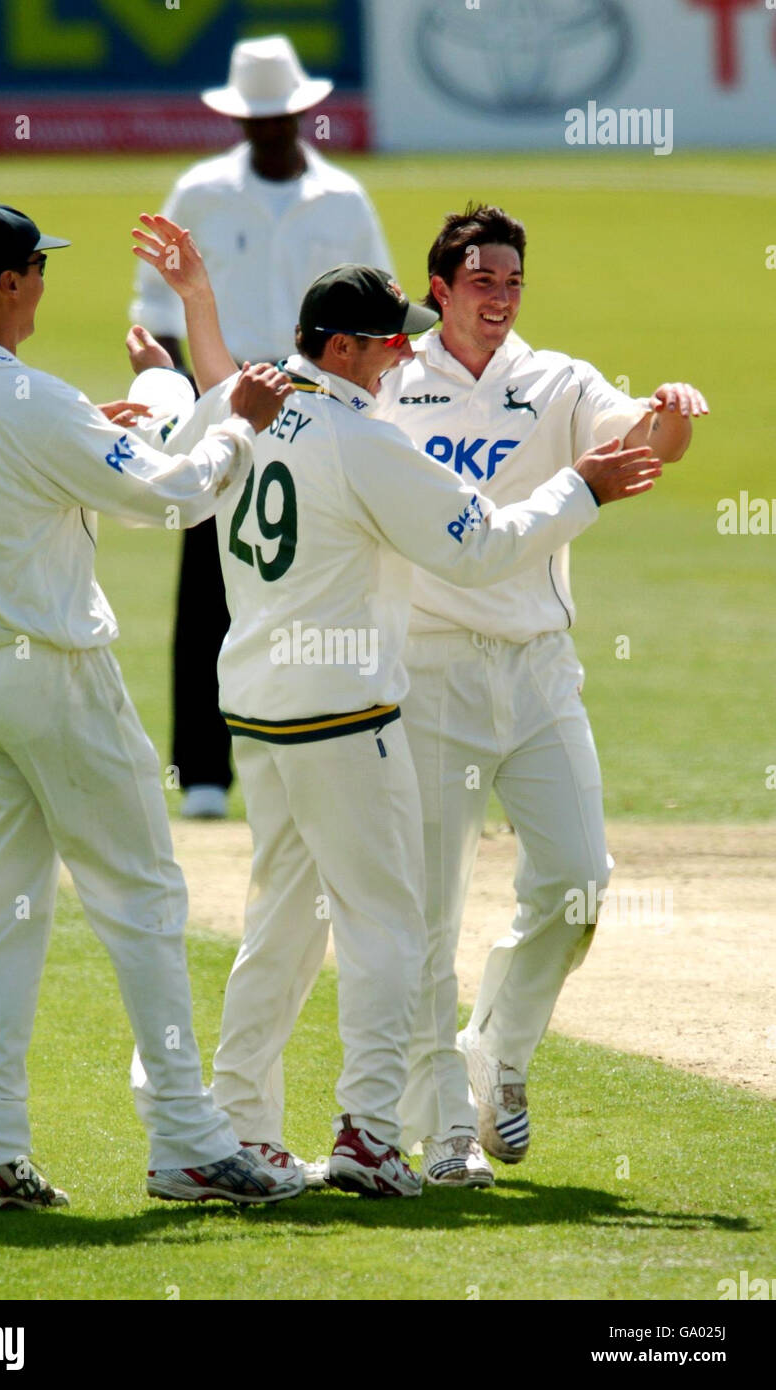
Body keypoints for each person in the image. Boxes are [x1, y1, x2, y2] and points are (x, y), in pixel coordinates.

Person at [125, 213, 661, 1196]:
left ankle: (240, 1122)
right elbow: (482, 545)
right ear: (340, 348)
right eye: (387, 342)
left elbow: (174, 462)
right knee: (384, 923)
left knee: (281, 925)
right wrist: (580, 489)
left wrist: (158, 376)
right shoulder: (359, 436)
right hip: (343, 716)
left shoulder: (244, 400)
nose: (404, 355)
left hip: (255, 710)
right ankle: (371, 1133)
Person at [0, 202, 302, 1210]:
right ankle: (190, 1143)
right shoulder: (30, 400)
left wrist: (97, 432)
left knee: (6, 913)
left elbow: (19, 474)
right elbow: (176, 499)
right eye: (37, 267)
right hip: (54, 674)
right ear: (13, 282)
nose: (44, 282)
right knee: (145, 898)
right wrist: (235, 424)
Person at [372, 203, 708, 1182]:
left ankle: (499, 1055)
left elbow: (650, 441)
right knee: (431, 909)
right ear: (441, 288)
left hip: (539, 669)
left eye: (514, 282)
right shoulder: (395, 382)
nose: (502, 299)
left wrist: (673, 412)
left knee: (574, 885)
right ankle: (441, 1131)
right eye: (483, 282)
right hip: (430, 668)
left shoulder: (554, 380)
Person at [129, 34, 393, 820]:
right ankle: (203, 772)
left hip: (321, 405)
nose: (271, 128)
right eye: (258, 117)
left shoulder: (343, 198)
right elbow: (154, 313)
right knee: (207, 587)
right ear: (240, 120)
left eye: (282, 115)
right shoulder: (202, 191)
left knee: (312, 575)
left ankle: (302, 746)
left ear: (302, 113)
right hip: (227, 396)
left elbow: (378, 307)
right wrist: (199, 408)